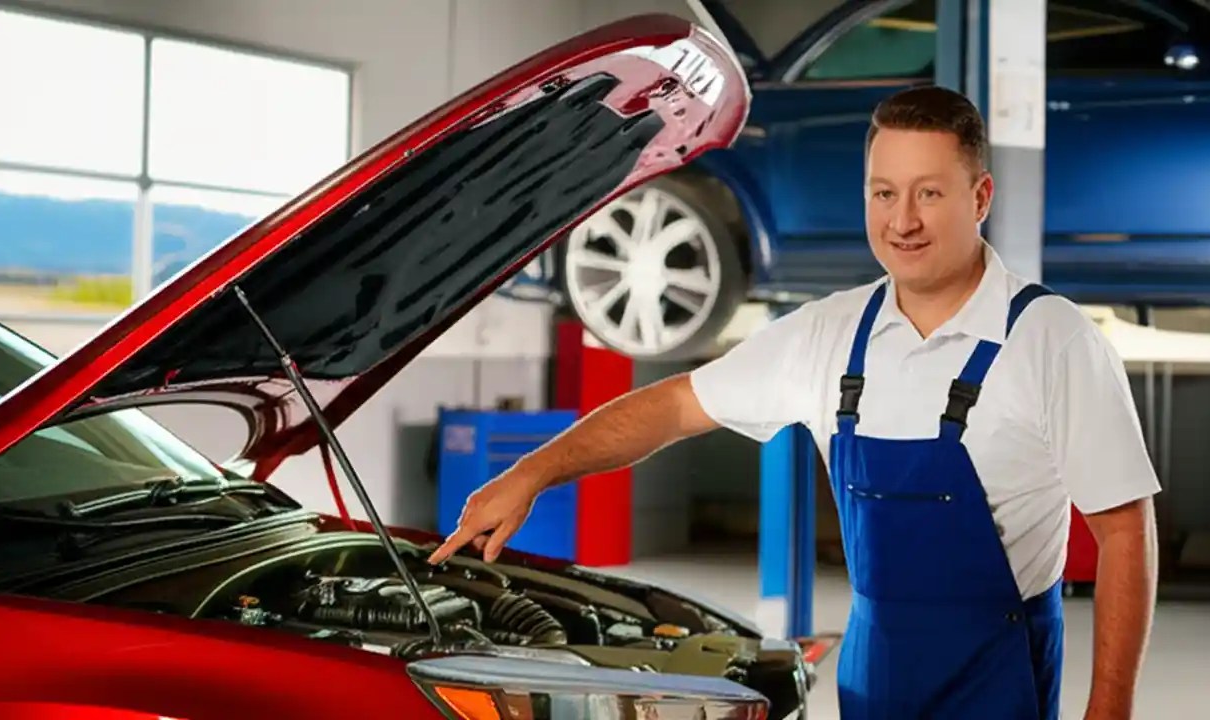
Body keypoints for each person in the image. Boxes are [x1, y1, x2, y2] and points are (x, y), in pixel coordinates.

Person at [428, 85, 1159, 720]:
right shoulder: (826, 334)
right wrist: (533, 472)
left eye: (929, 194)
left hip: (998, 680)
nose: (902, 220)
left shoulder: (1052, 340)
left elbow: (1126, 533)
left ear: (981, 197)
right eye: (884, 193)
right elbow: (674, 406)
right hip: (875, 677)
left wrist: (1109, 708)